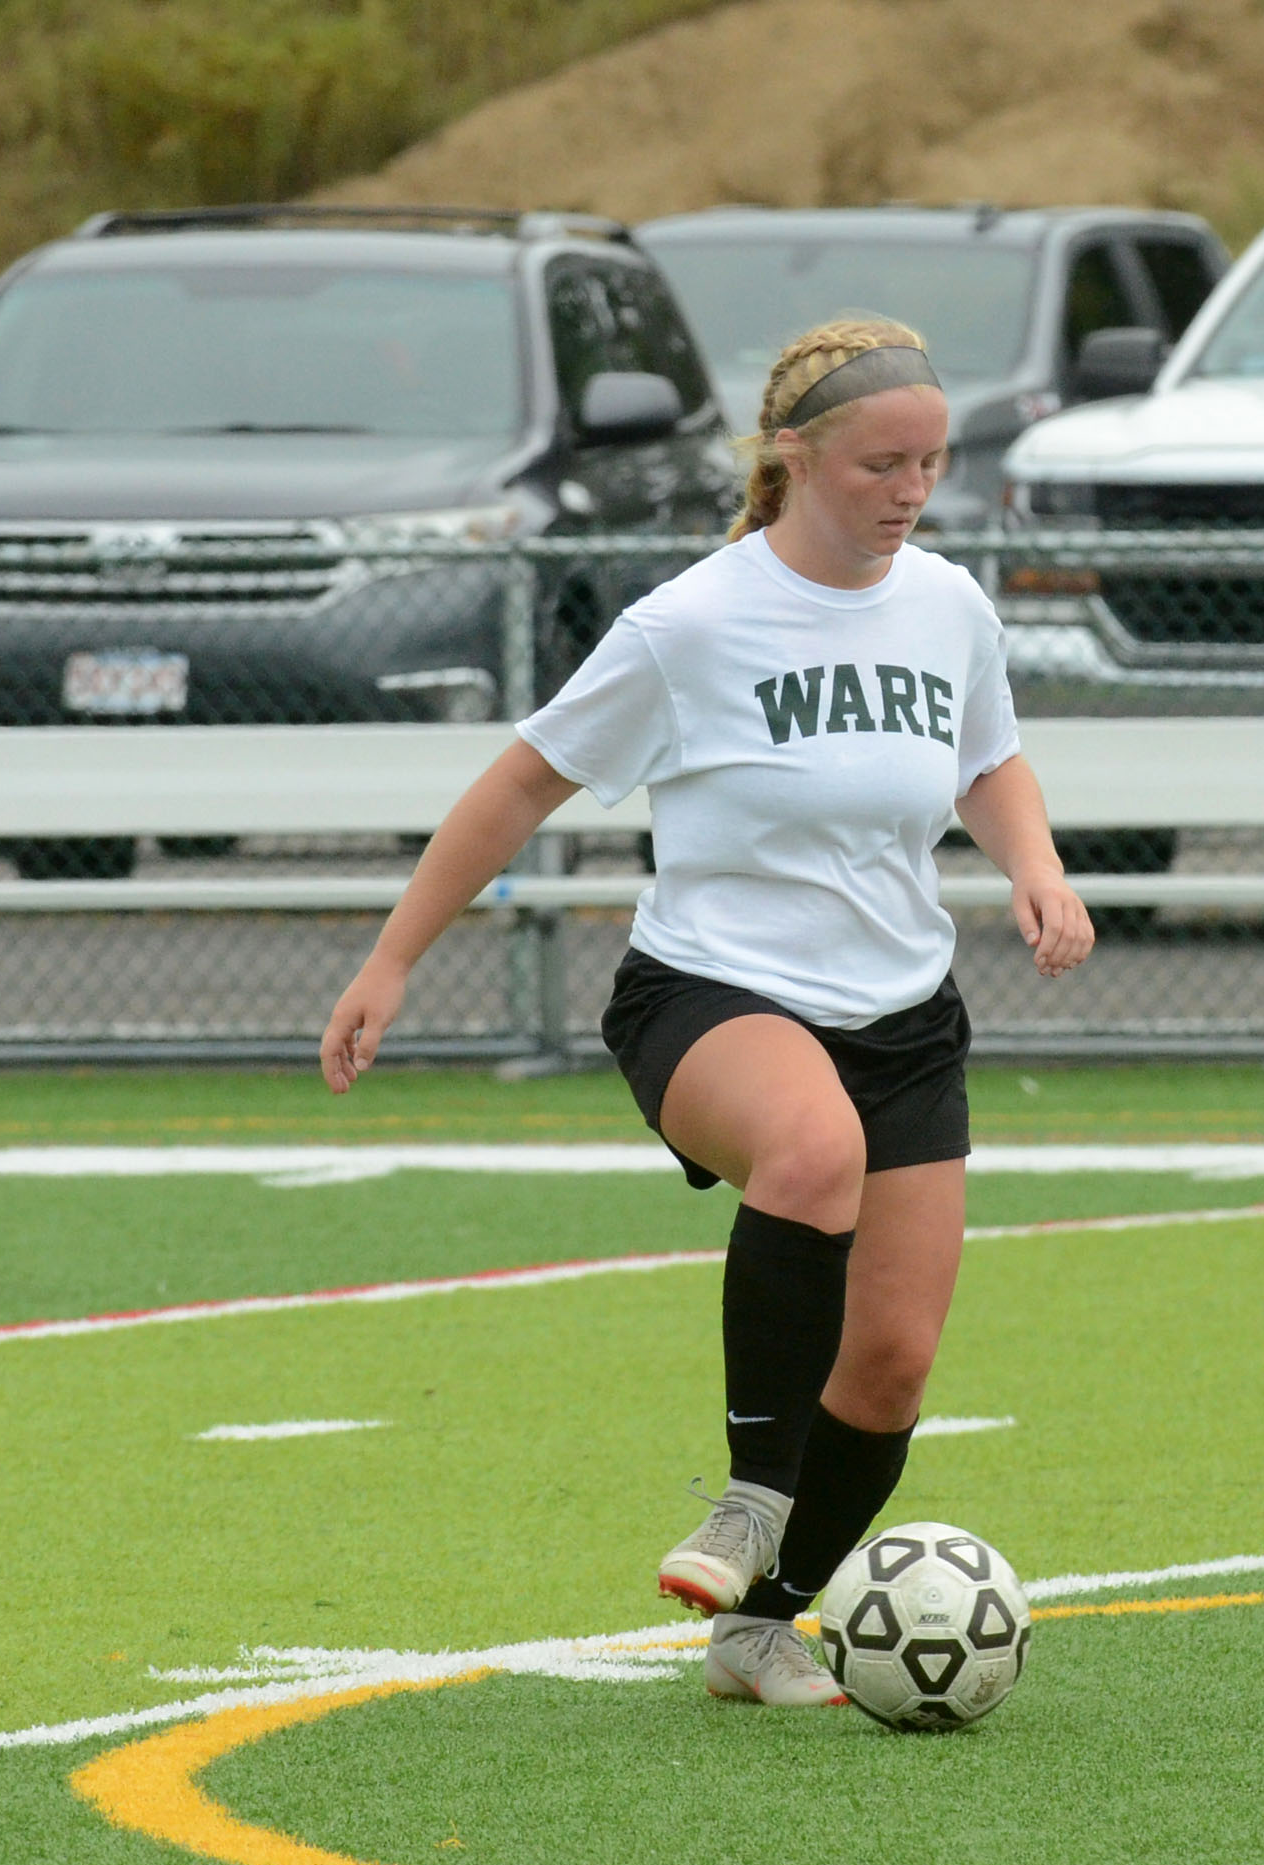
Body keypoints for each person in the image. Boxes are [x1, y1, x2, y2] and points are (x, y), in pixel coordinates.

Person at [318, 316, 1093, 1708]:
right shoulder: (689, 624)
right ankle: (748, 1497)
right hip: (708, 991)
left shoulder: (949, 605)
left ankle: (765, 1620)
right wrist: (391, 961)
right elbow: (517, 788)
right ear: (791, 458)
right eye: (879, 464)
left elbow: (989, 762)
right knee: (811, 1154)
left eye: (931, 461)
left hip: (902, 1014)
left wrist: (1036, 871)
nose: (910, 489)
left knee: (894, 1365)